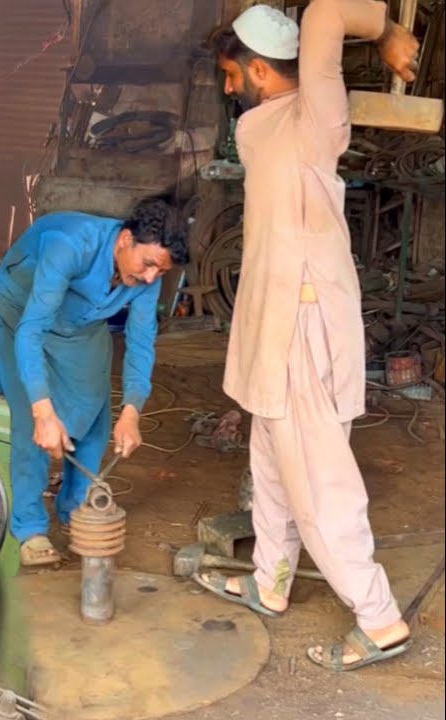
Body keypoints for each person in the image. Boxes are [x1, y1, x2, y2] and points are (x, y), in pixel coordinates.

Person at [199, 2, 419, 671]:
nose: (227, 86)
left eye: (233, 74)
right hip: (273, 321)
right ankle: (270, 581)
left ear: (261, 70)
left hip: (301, 321)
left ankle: (378, 618)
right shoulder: (265, 126)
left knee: (317, 477)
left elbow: (326, 11)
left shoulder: (315, 118)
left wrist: (387, 33)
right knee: (269, 457)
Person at [0, 197, 189, 567]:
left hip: (81, 323)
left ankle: (77, 506)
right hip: (23, 314)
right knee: (31, 418)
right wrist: (43, 410)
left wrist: (132, 411)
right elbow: (32, 331)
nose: (150, 279)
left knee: (94, 407)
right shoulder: (71, 245)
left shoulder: (146, 278)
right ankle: (30, 527)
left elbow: (141, 344)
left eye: (160, 273)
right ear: (125, 239)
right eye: (147, 265)